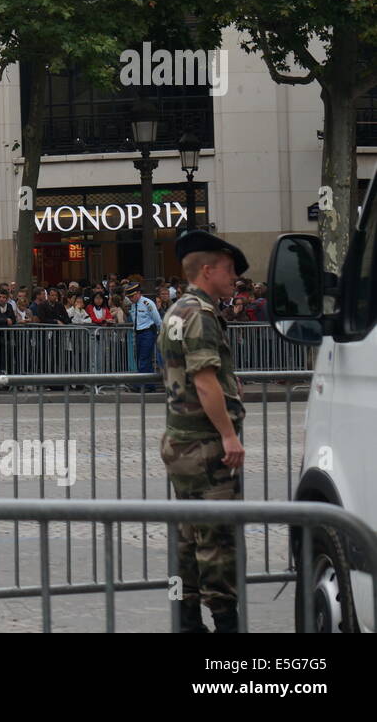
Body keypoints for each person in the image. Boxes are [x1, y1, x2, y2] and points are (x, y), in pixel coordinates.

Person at [159, 230, 249, 634]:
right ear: (208, 270)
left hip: (180, 440)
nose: (236, 278)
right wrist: (229, 436)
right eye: (229, 270)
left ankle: (186, 618)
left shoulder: (177, 310)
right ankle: (226, 623)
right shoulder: (202, 313)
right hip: (206, 444)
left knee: (187, 535)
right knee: (217, 539)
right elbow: (204, 381)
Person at [126, 281, 164, 391]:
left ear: (138, 293)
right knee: (141, 359)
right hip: (138, 334)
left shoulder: (148, 303)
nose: (131, 299)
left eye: (132, 296)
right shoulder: (133, 305)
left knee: (144, 359)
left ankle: (142, 385)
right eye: (129, 297)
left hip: (148, 333)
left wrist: (161, 333)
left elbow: (157, 320)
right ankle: (149, 385)